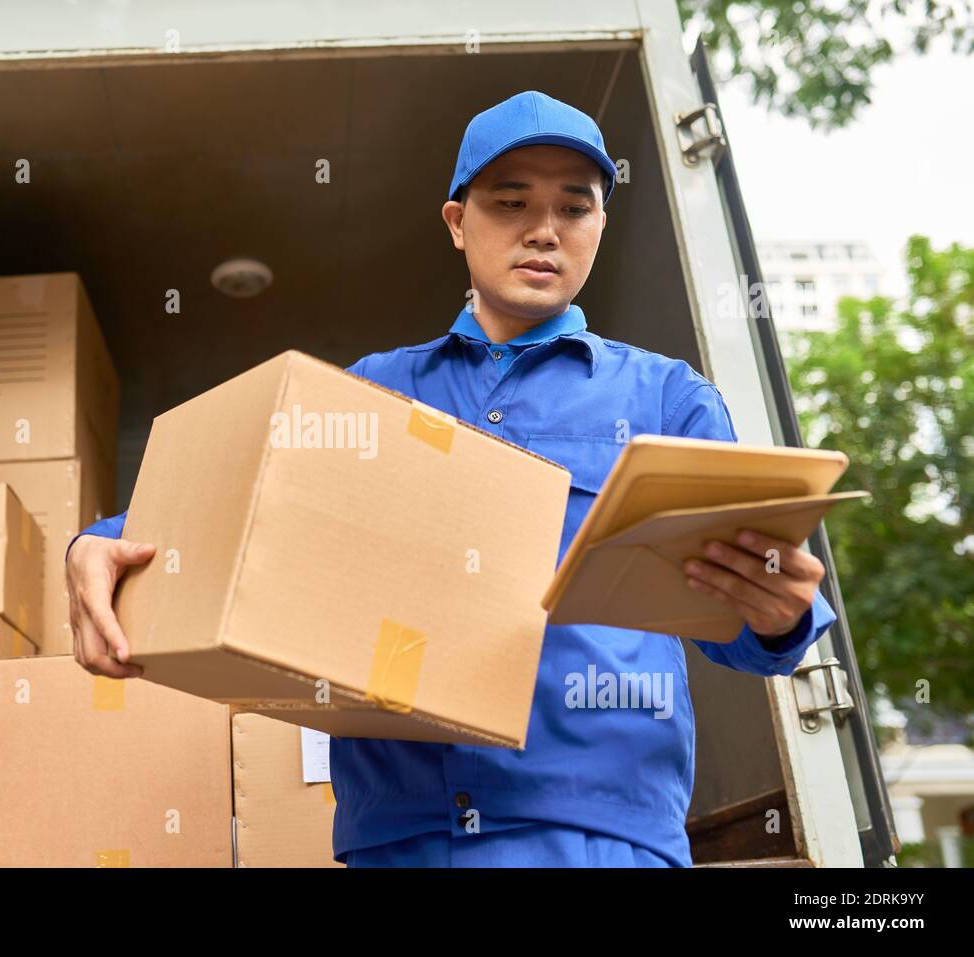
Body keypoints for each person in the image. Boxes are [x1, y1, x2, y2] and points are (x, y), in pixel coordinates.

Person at [64, 90, 837, 867]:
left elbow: (747, 640)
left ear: (601, 225)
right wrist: (97, 544)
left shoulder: (668, 398)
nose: (544, 229)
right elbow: (234, 510)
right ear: (457, 222)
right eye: (510, 203)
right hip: (404, 838)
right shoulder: (372, 392)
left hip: (597, 839)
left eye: (576, 207)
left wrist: (778, 612)